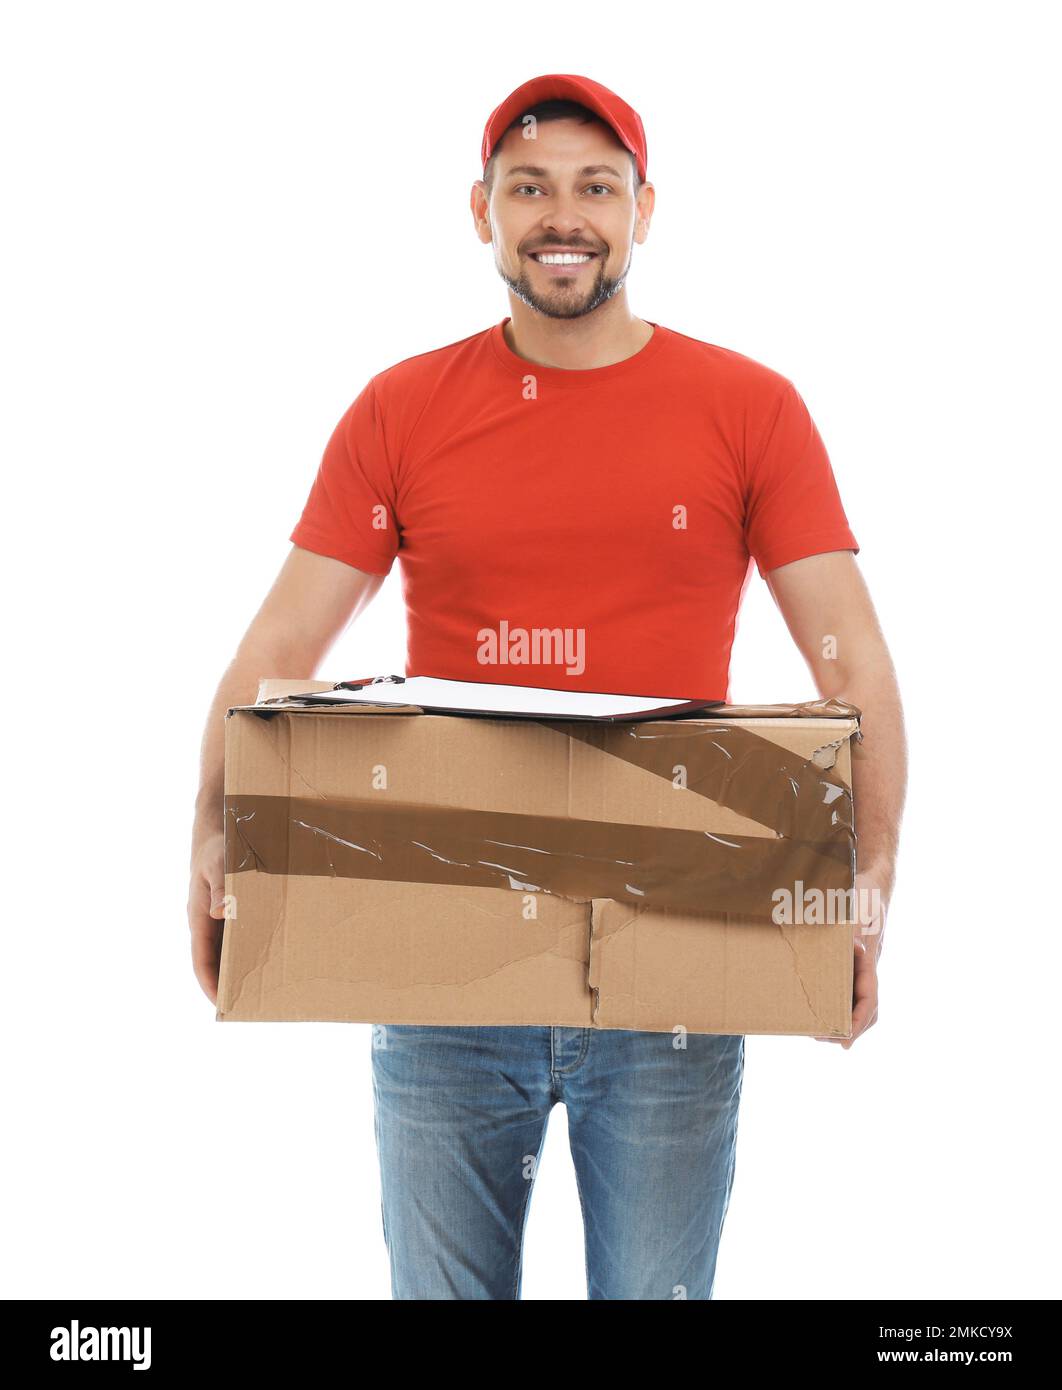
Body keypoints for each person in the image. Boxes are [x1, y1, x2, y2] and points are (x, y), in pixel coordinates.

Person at [188, 74, 907, 1300]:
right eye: (529, 187)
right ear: (482, 210)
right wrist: (213, 833)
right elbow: (280, 643)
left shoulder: (750, 410)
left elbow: (854, 662)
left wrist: (868, 880)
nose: (561, 216)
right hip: (447, 972)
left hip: (680, 960)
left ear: (643, 211)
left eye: (595, 187)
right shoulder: (403, 410)